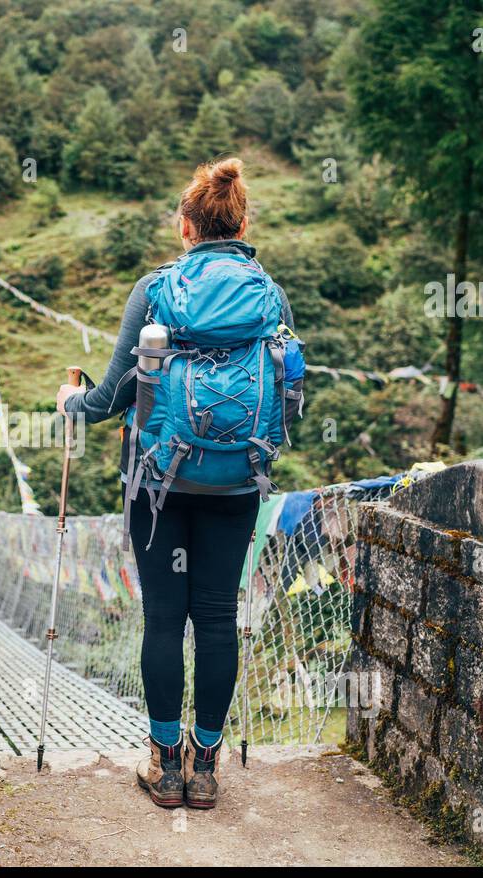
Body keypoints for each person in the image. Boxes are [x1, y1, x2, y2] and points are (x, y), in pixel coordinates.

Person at [56, 157, 300, 810]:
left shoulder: (156, 290)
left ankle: (165, 768)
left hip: (157, 484)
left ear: (185, 225)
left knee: (164, 618)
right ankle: (208, 768)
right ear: (242, 222)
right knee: (218, 618)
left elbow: (110, 397)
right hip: (238, 481)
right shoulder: (269, 294)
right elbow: (289, 395)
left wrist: (68, 401)